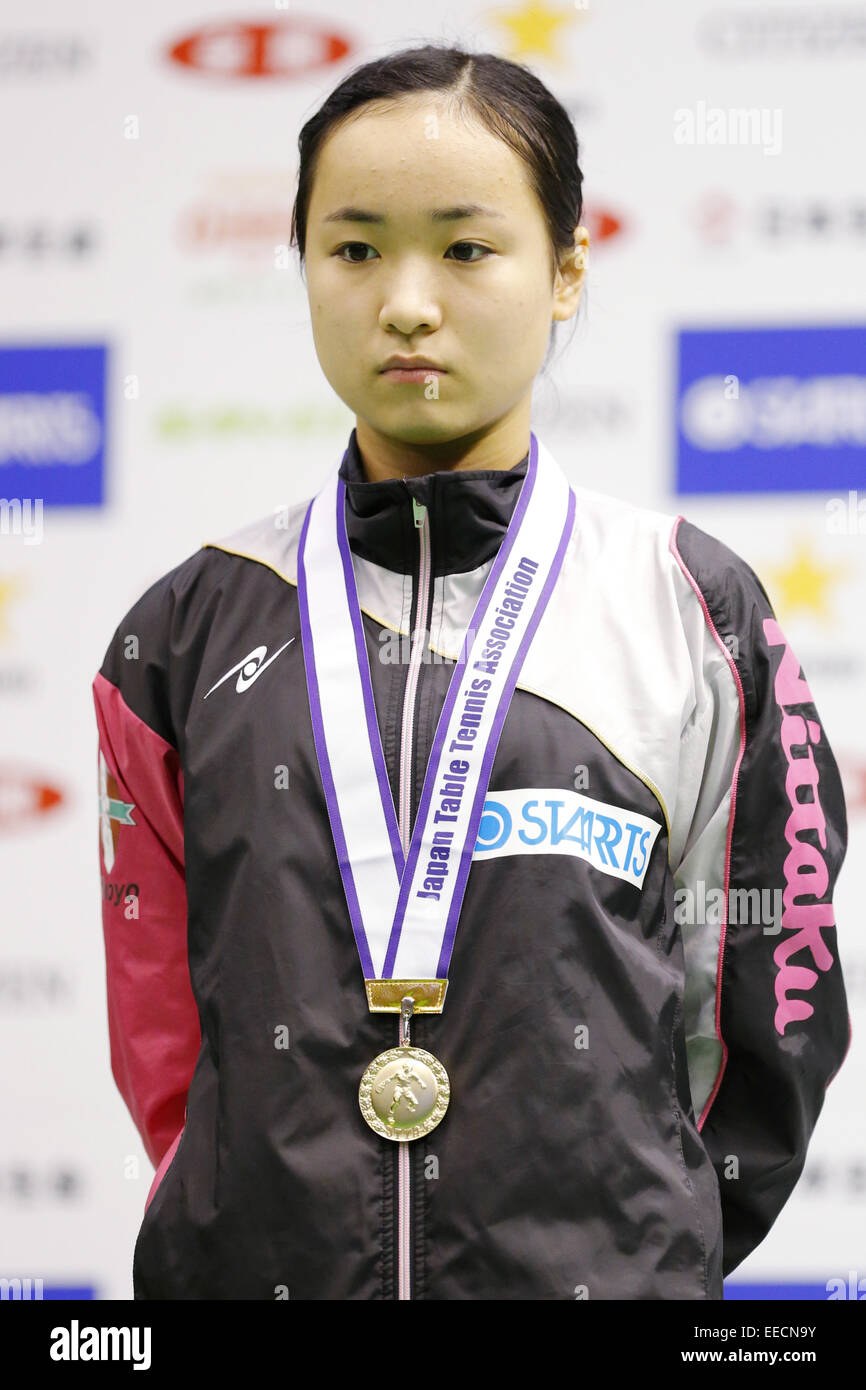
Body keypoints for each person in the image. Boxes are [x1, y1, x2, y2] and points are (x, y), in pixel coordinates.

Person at [92, 42, 851, 1301]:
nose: (404, 301)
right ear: (302, 272)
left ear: (563, 272)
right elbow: (161, 1034)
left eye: (463, 247)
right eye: (353, 249)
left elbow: (768, 999)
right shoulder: (182, 632)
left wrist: (641, 1244)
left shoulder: (689, 606)